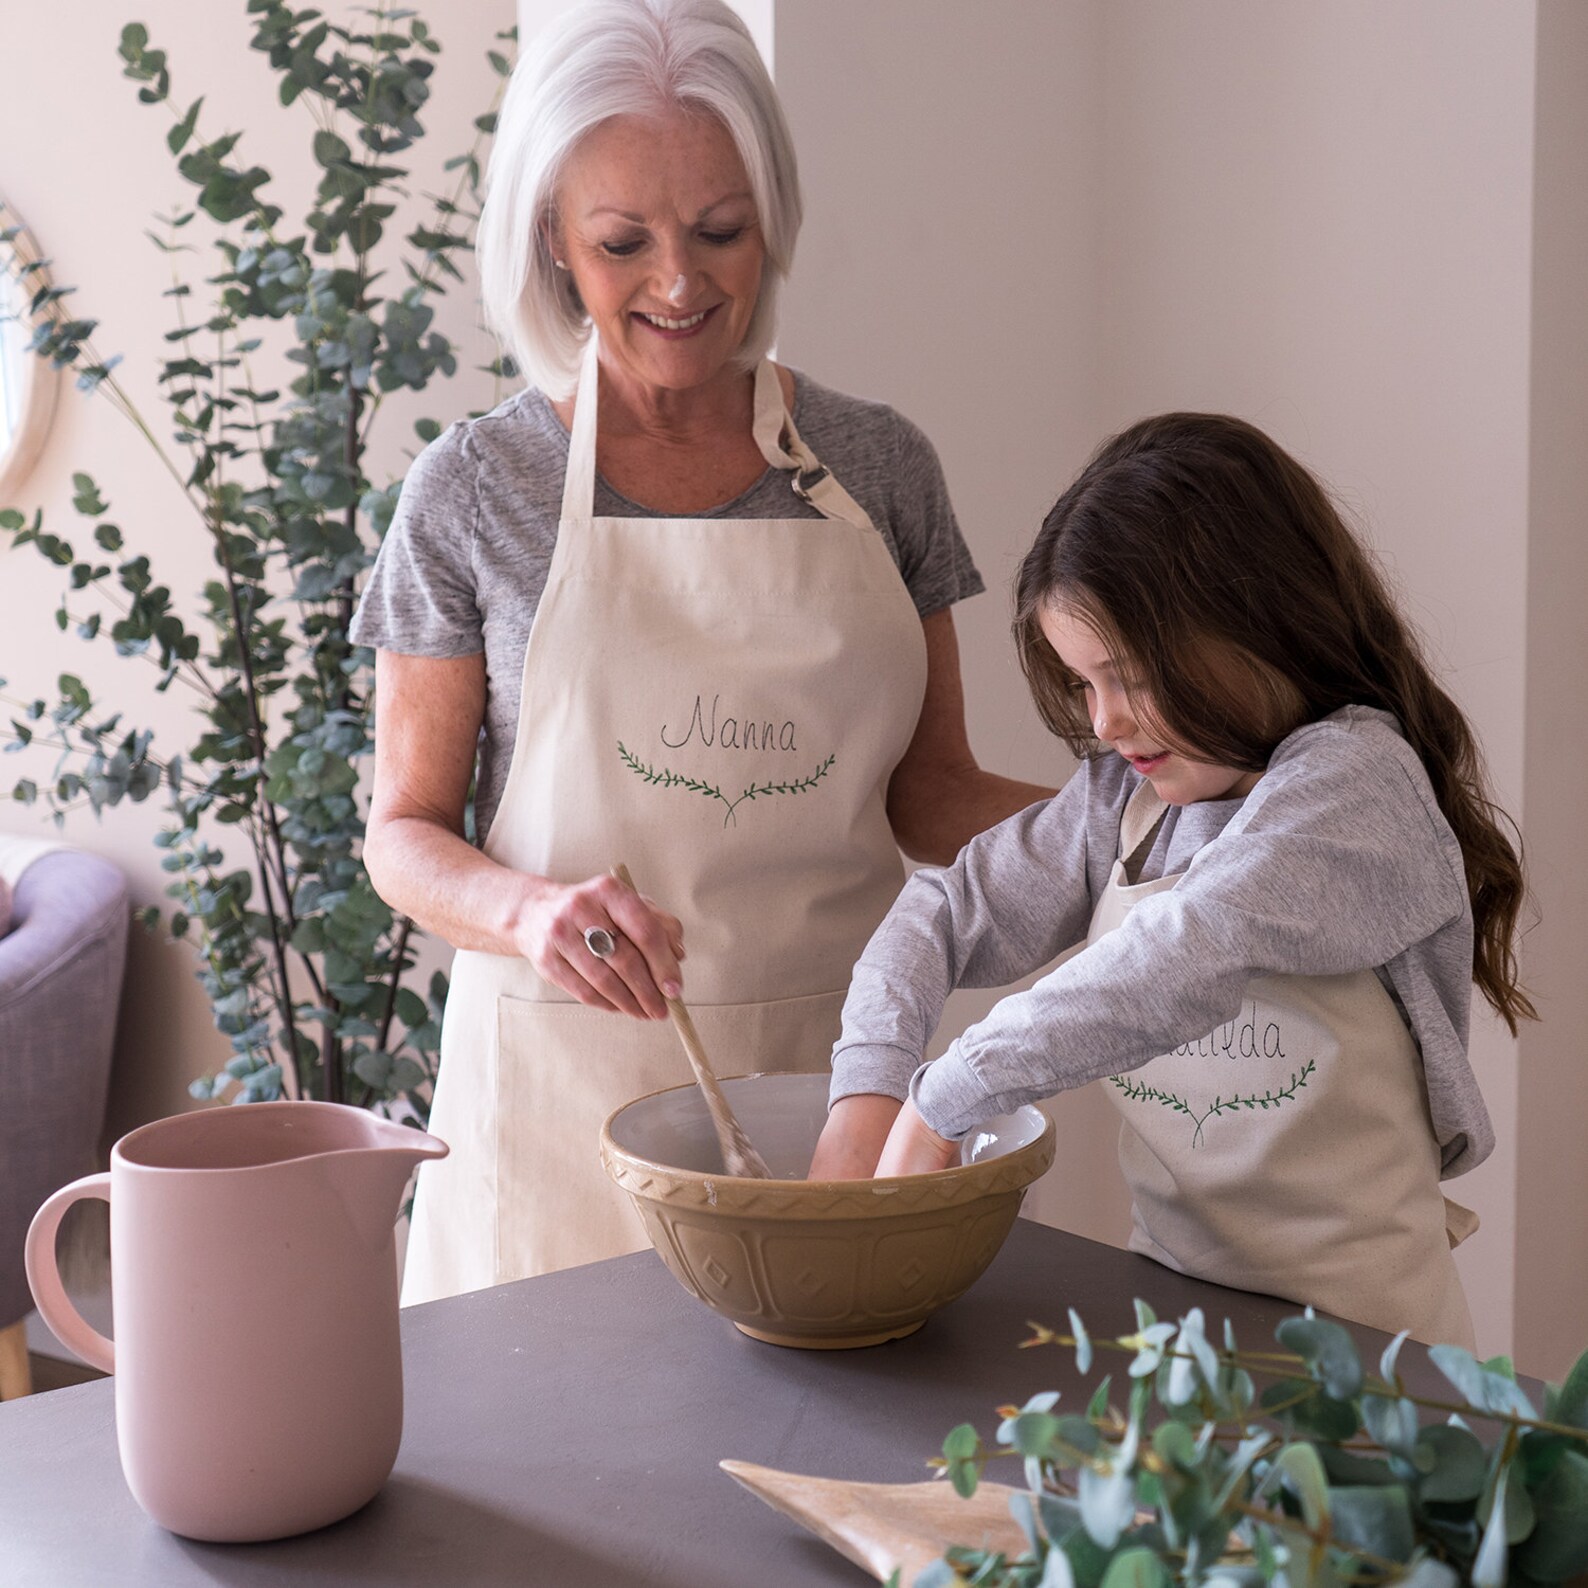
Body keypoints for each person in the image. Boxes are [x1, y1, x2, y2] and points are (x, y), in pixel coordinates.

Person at [353, 0, 1050, 1305]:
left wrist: (1153, 830)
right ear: (554, 240)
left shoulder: (883, 468)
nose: (680, 284)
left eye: (719, 231)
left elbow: (935, 795)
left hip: (831, 1110)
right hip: (557, 1136)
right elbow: (403, 831)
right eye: (624, 243)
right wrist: (530, 908)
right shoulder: (476, 488)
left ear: (771, 215)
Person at [810, 412, 1534, 1348]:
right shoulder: (1124, 800)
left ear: (1260, 621)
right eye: (1084, 686)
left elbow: (1190, 947)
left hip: (1368, 1350)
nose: (1105, 723)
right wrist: (866, 1093)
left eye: (1132, 678)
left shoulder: (1356, 789)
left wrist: (946, 1097)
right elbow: (942, 909)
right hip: (1177, 1339)